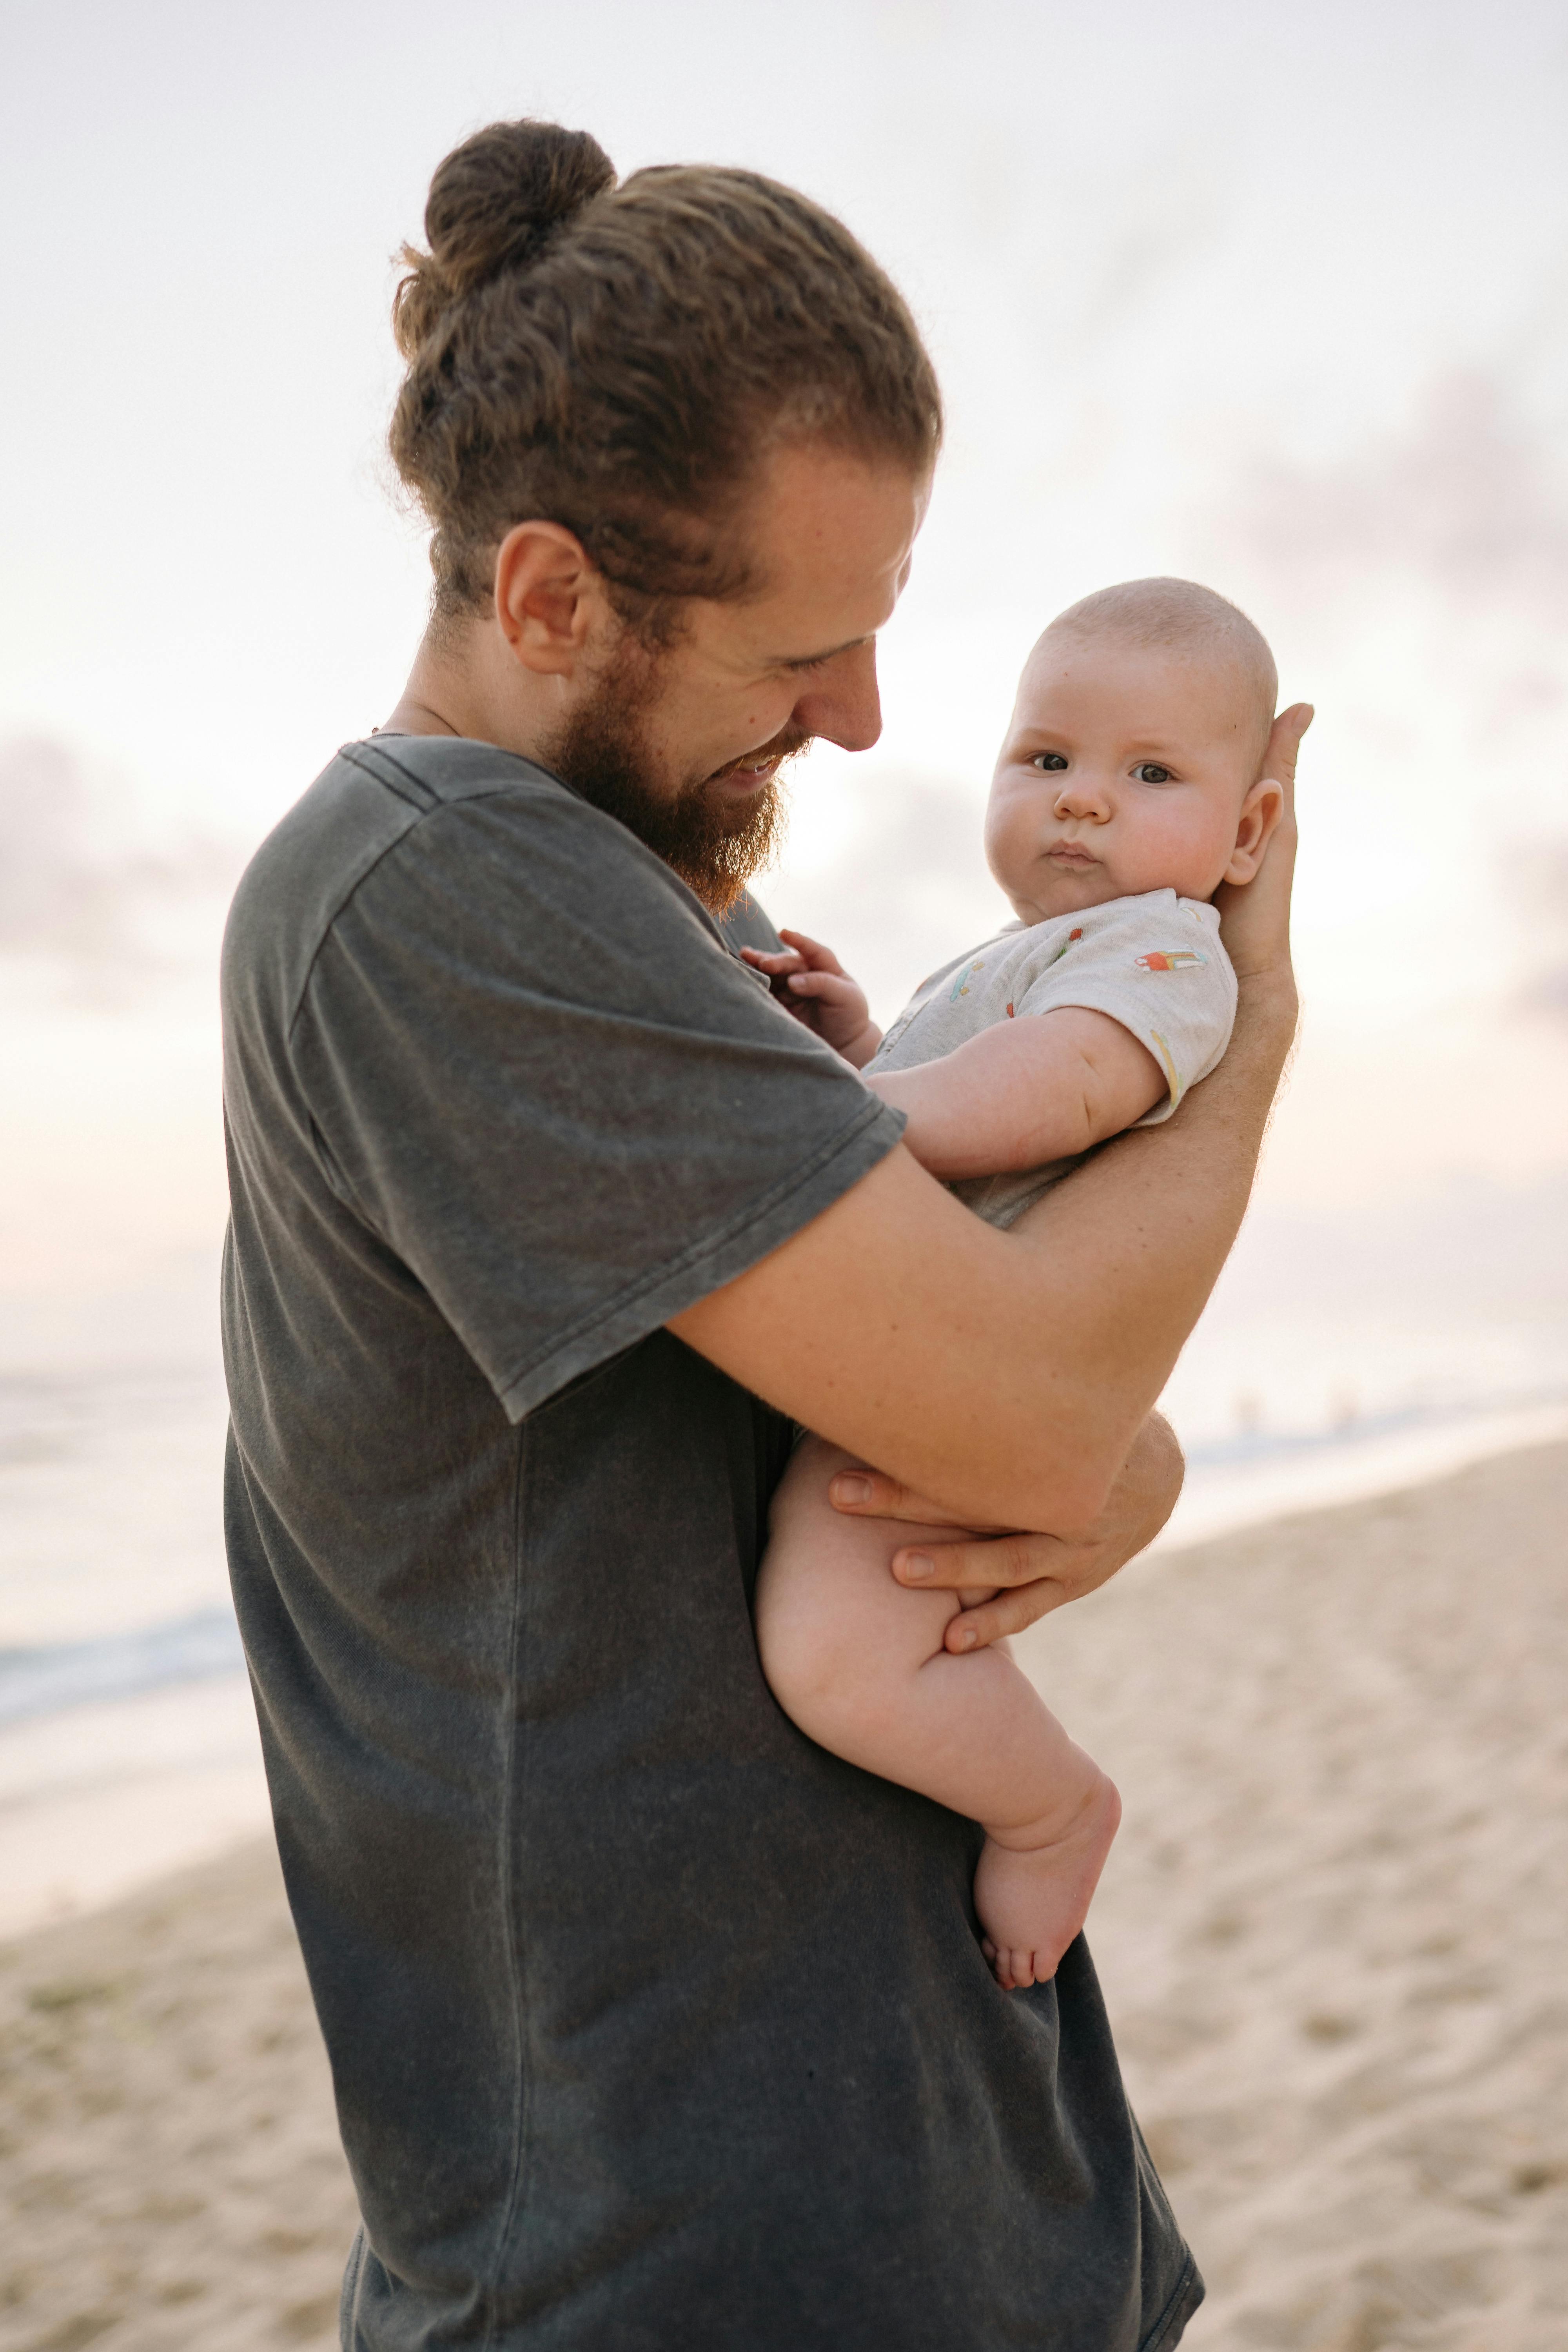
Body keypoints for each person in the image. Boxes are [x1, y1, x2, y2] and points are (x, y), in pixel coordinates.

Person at [220, 117, 1309, 2351]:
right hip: (678, 2251)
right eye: (803, 650)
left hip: (956, 2164)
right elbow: (1023, 1414)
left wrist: (1119, 1451)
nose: (867, 719)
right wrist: (1250, 1011)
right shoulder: (439, 895)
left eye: (885, 631)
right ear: (549, 600)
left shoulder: (687, 913)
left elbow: (1073, 1426)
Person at [747, 579, 1283, 1996]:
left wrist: (865, 1108)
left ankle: (1048, 1804)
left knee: (835, 1656)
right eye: (1046, 759)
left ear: (1247, 833)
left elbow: (1054, 1089)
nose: (1083, 803)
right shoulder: (1028, 954)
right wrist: (860, 1044)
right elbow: (952, 1092)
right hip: (926, 1349)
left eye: (1149, 773)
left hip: (962, 1378)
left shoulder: (1169, 956)